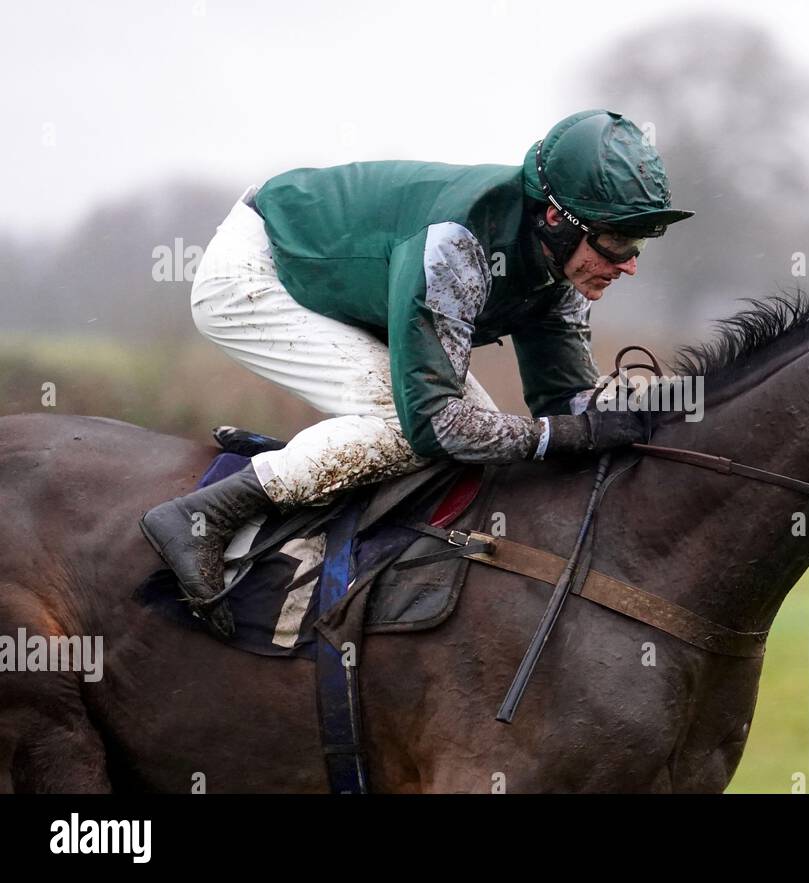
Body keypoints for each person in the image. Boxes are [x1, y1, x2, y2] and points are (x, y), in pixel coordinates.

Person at [140, 109, 694, 636]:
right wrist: (573, 433)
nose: (630, 264)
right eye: (618, 241)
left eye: (640, 240)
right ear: (555, 218)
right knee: (414, 432)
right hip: (259, 270)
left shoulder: (563, 265)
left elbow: (564, 402)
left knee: (481, 431)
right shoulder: (460, 243)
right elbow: (438, 424)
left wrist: (640, 415)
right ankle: (204, 515)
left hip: (351, 286)